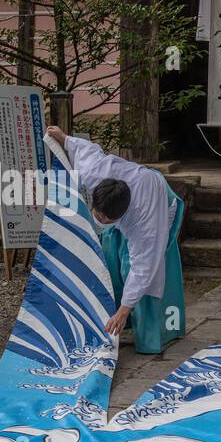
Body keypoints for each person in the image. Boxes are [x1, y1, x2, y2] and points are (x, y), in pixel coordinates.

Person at [45, 126, 185, 354]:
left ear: (120, 216)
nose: (99, 219)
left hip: (158, 200)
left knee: (138, 269)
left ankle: (146, 333)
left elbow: (144, 267)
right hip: (123, 195)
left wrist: (124, 310)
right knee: (110, 259)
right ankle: (114, 317)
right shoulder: (95, 174)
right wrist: (63, 138)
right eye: (97, 214)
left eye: (105, 218)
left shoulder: (145, 225)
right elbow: (87, 151)